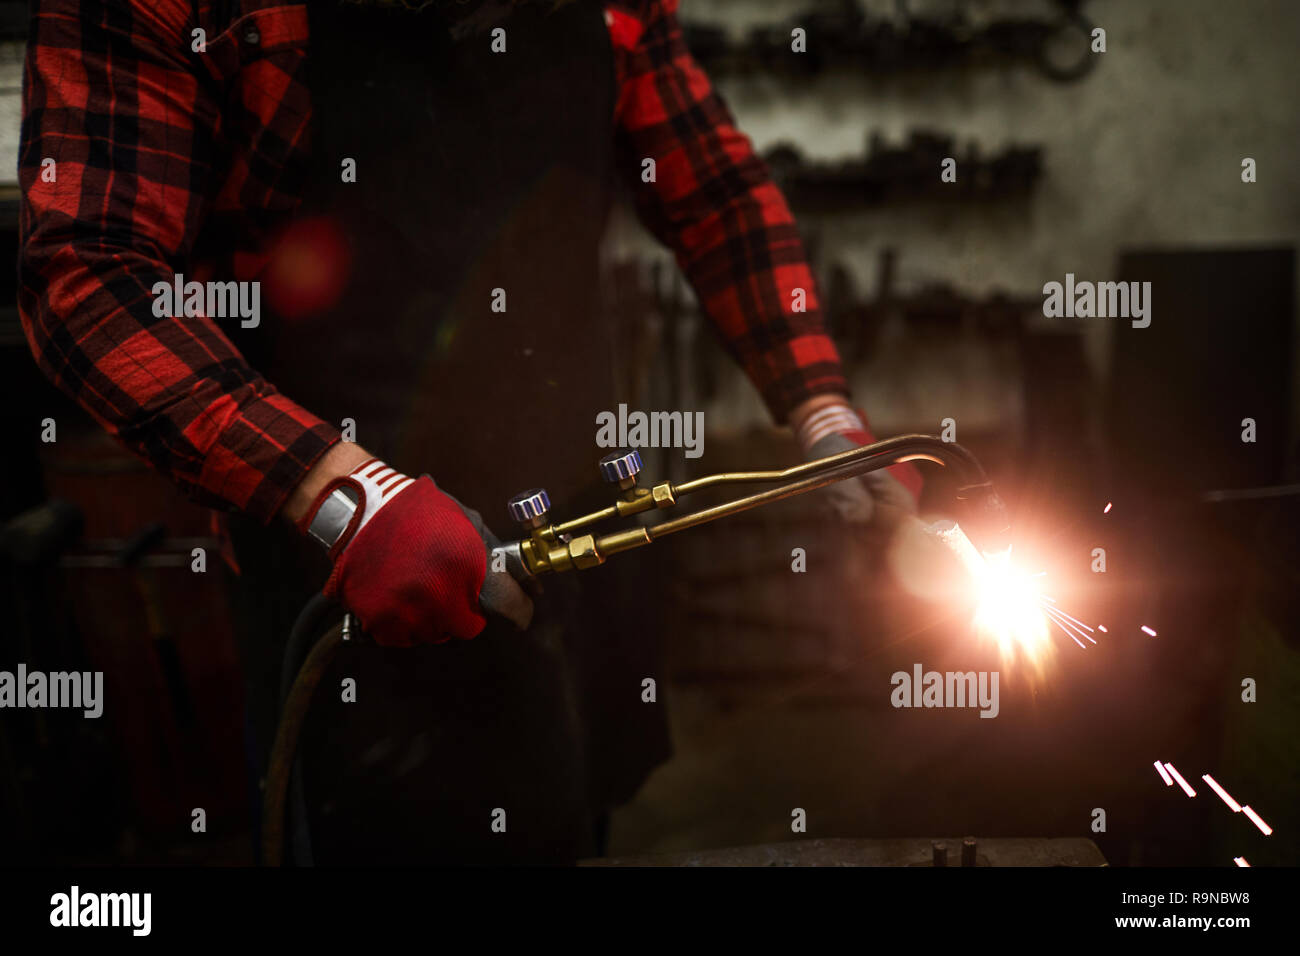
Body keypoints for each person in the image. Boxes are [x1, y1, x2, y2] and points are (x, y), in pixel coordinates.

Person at [18, 0, 920, 863]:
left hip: (580, 507)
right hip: (351, 570)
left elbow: (715, 194)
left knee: (571, 814)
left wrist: (821, 410)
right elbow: (91, 275)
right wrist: (346, 498)